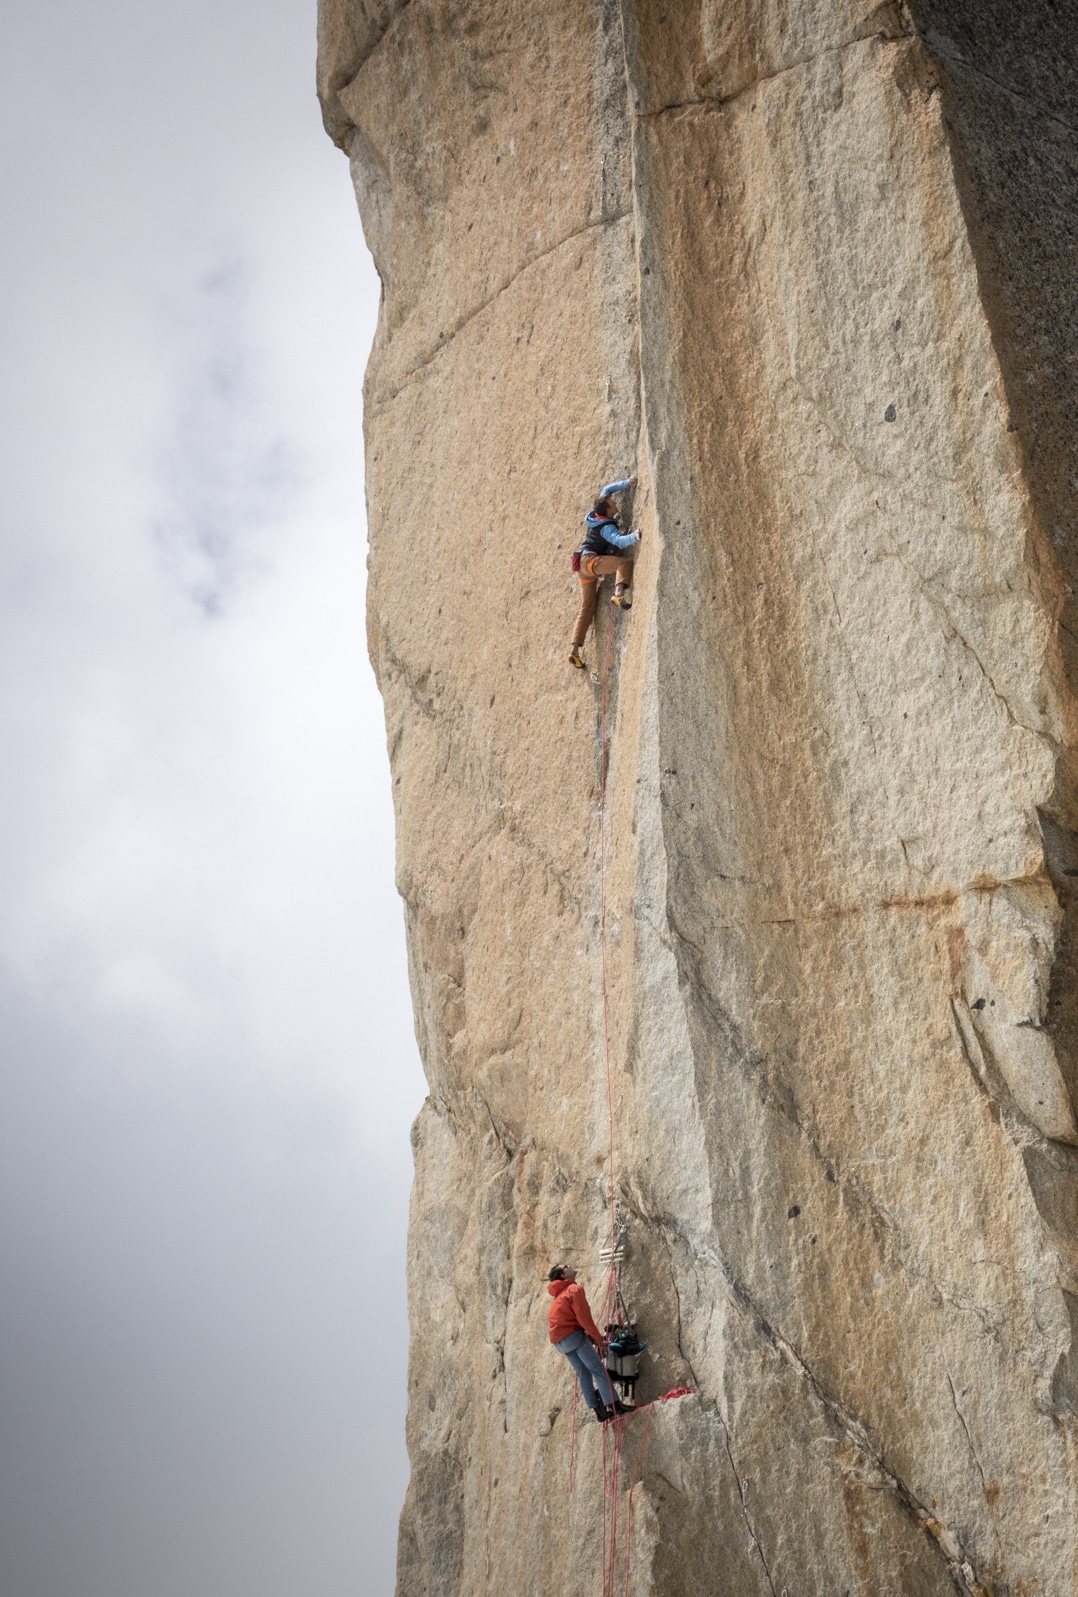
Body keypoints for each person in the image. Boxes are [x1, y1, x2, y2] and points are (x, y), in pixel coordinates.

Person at [568, 475, 641, 669]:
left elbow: (607, 490)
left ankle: (574, 651)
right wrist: (634, 537)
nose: (615, 502)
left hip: (583, 566)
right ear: (607, 510)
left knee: (587, 608)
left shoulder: (595, 515)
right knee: (623, 564)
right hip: (592, 562)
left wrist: (626, 483)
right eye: (612, 504)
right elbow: (618, 541)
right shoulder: (606, 527)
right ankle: (618, 595)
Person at [546, 1265, 625, 1421]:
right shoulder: (573, 1289)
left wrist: (590, 1338)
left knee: (583, 1372)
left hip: (560, 1342)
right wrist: (598, 1339)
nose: (570, 1267)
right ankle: (615, 1405)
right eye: (565, 1267)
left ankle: (599, 1412)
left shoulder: (559, 1296)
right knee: (597, 1369)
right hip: (571, 1336)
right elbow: (584, 1319)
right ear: (563, 1274)